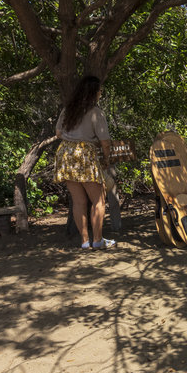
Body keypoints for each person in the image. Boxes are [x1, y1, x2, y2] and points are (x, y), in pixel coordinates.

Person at [54, 75, 115, 249]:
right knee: (99, 199)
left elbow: (58, 133)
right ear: (94, 93)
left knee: (78, 201)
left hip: (66, 155)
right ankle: (97, 240)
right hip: (85, 155)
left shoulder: (69, 109)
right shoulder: (95, 112)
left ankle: (84, 241)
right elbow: (105, 142)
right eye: (100, 91)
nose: (100, 94)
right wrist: (106, 158)